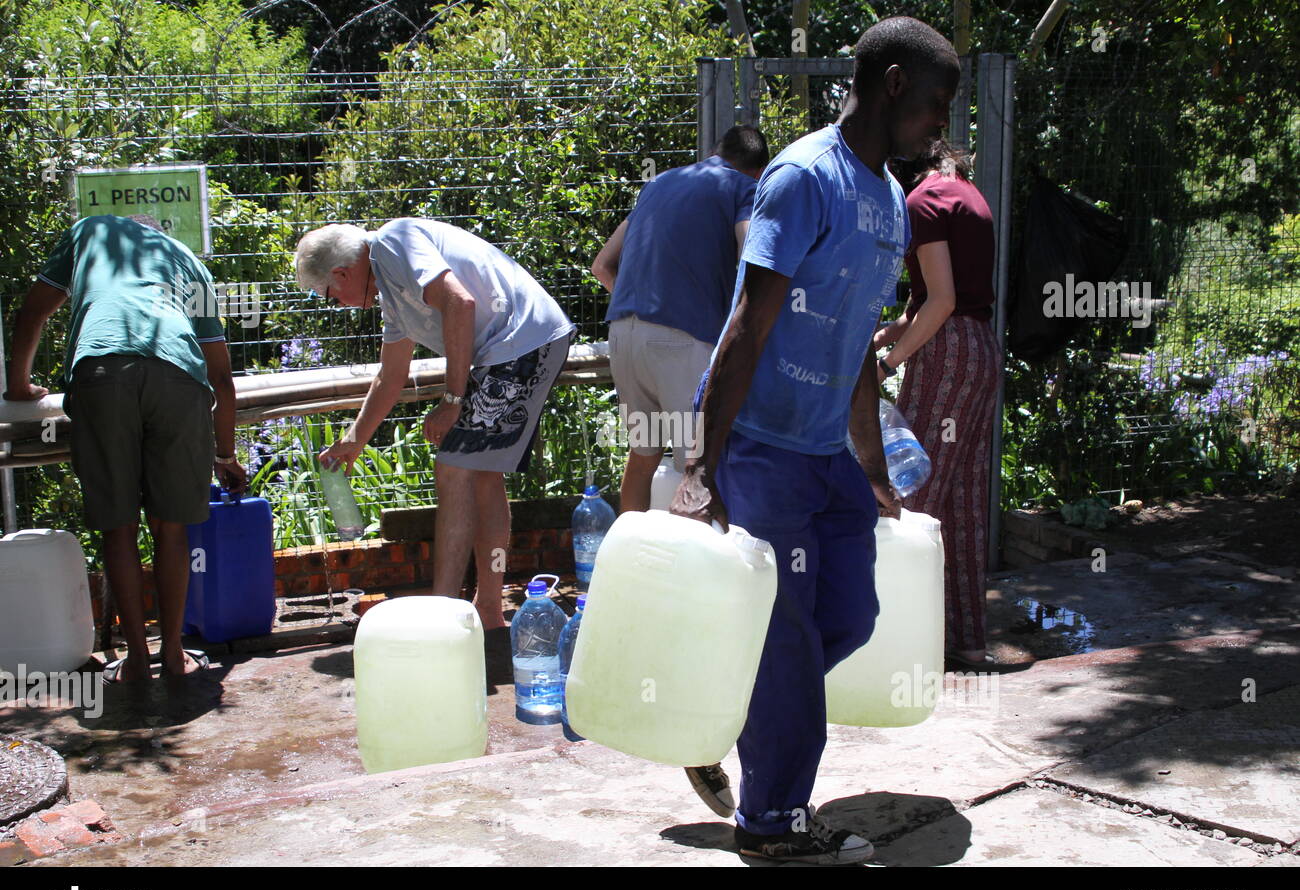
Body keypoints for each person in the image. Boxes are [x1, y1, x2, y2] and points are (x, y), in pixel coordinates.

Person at [671, 16, 959, 864]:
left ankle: (715, 709)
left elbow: (856, 349)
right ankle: (772, 822)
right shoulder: (803, 177)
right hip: (759, 444)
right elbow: (748, 326)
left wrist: (870, 466)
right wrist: (703, 460)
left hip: (825, 450)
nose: (943, 124)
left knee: (852, 616)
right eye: (938, 103)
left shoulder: (887, 203)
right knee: (789, 637)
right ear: (895, 83)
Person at [294, 219, 574, 629]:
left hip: (522, 340)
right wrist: (353, 441)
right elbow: (390, 378)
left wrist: (452, 401)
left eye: (331, 296)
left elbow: (459, 303)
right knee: (481, 474)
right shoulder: (390, 292)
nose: (337, 304)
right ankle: (488, 612)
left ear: (342, 273)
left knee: (453, 468)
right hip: (514, 345)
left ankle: (445, 616)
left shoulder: (391, 242)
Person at [3, 214, 246, 683]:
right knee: (170, 528)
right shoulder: (190, 263)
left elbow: (33, 311)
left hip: (103, 369)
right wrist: (224, 456)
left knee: (119, 526)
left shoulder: (93, 231)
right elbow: (221, 379)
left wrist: (18, 387)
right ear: (159, 236)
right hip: (178, 375)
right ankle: (173, 653)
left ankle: (137, 660)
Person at [591, 125, 768, 513]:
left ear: (716, 152)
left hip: (623, 335)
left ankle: (632, 564)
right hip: (682, 341)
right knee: (699, 469)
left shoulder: (658, 185)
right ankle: (693, 572)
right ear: (756, 170)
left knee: (642, 456)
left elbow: (602, 265)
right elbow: (750, 258)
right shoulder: (744, 188)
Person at [874, 138, 1000, 668]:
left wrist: (889, 362)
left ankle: (899, 643)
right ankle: (967, 641)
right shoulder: (965, 193)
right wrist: (881, 338)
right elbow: (931, 301)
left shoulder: (922, 202)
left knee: (910, 492)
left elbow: (941, 303)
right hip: (982, 349)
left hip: (946, 354)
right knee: (964, 503)